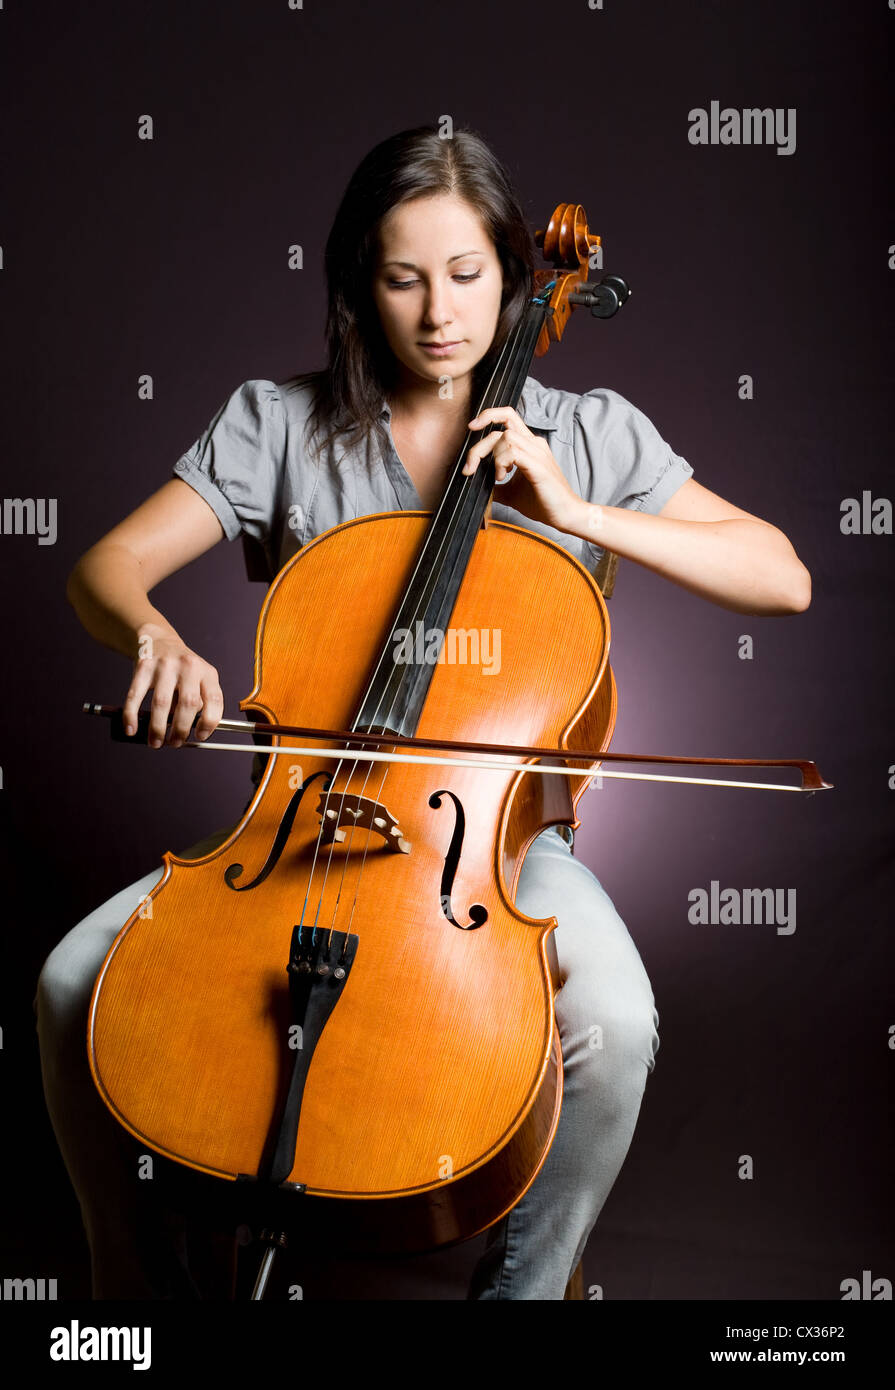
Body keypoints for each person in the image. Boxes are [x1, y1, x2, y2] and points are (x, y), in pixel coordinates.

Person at [37, 125, 811, 1301]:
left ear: (513, 274)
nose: (439, 312)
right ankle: (128, 1293)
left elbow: (782, 575)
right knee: (66, 982)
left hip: (493, 846)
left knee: (614, 1015)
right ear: (359, 282)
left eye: (467, 275)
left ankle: (528, 1290)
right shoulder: (278, 423)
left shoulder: (592, 432)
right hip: (293, 827)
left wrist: (577, 510)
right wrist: (154, 636)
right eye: (402, 278)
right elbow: (106, 568)